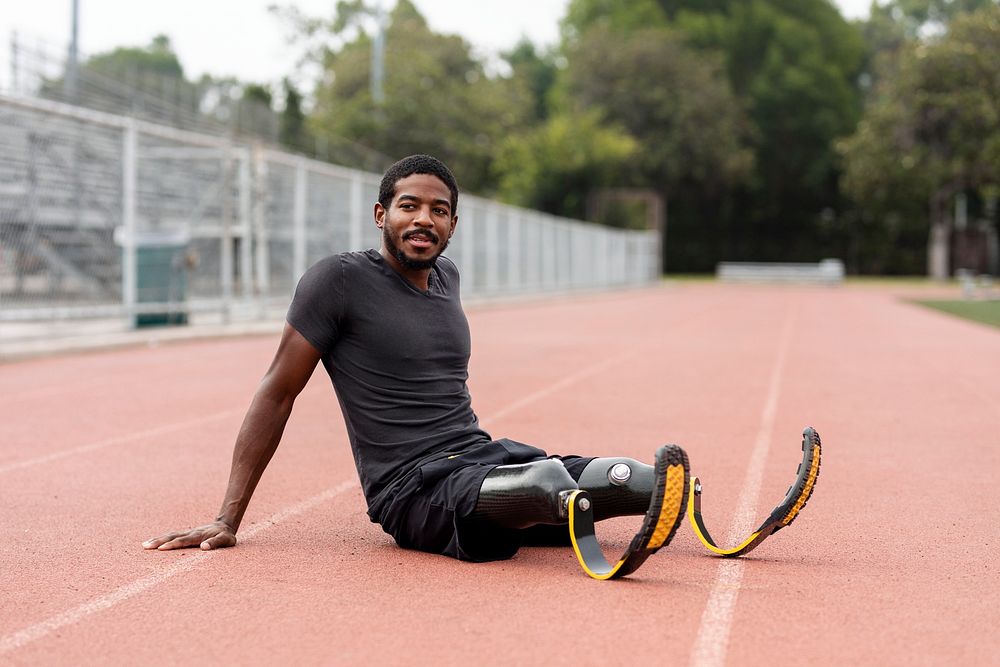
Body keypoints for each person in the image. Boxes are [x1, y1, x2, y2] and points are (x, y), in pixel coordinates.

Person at [143, 154, 685, 563]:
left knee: (627, 475)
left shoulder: (448, 278)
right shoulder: (338, 281)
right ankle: (549, 502)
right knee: (543, 482)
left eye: (439, 210)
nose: (424, 219)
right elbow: (277, 392)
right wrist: (227, 517)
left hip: (481, 457)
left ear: (452, 225)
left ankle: (691, 504)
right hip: (411, 488)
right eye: (409, 206)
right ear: (382, 214)